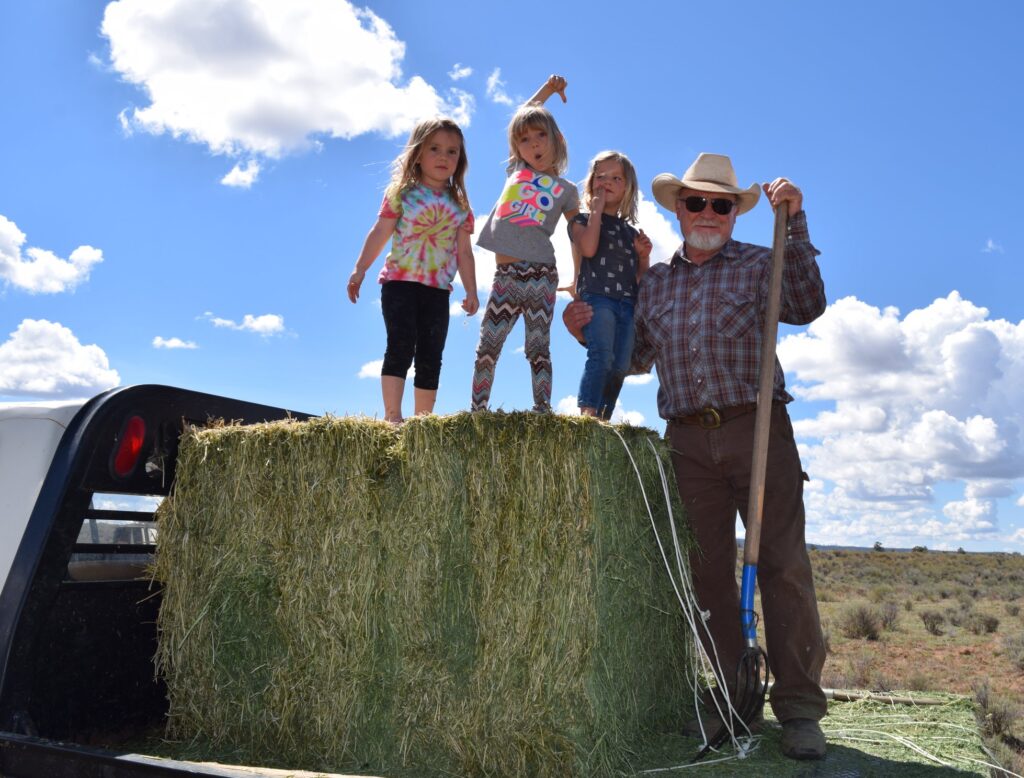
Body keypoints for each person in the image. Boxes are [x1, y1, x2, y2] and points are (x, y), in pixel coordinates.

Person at [564, 153, 828, 760]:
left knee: (783, 566)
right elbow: (636, 359)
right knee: (706, 573)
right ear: (678, 209)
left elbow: (808, 304)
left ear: (735, 212)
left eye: (721, 203)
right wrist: (587, 330)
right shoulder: (653, 283)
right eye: (696, 202)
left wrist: (799, 219)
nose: (707, 212)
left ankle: (799, 712)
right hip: (686, 439)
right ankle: (737, 701)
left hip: (757, 428)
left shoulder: (763, 264)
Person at [348, 117, 479, 423]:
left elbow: (464, 252)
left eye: (452, 151)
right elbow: (380, 231)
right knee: (401, 344)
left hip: (437, 291)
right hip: (399, 284)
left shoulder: (460, 205)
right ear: (418, 154)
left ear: (460, 160)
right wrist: (360, 269)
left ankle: (422, 423)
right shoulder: (401, 192)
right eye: (435, 149)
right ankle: (393, 417)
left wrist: (471, 290)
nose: (444, 157)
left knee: (431, 354)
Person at [470, 75, 580, 413]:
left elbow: (577, 233)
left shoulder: (566, 189)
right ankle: (477, 412)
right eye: (525, 140)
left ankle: (542, 410)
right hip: (505, 275)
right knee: (488, 344)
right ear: (516, 148)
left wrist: (577, 277)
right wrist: (547, 91)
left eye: (540, 136)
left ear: (556, 139)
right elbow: (525, 113)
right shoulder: (517, 170)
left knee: (537, 347)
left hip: (541, 273)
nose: (534, 145)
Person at [563, 150, 652, 419]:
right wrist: (596, 212)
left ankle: (604, 416)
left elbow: (639, 281)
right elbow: (588, 249)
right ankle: (588, 413)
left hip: (626, 304)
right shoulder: (580, 221)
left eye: (616, 178)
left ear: (627, 188)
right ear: (591, 183)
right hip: (597, 298)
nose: (608, 182)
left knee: (621, 364)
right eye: (601, 176)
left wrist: (643, 256)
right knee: (601, 354)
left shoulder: (631, 232)